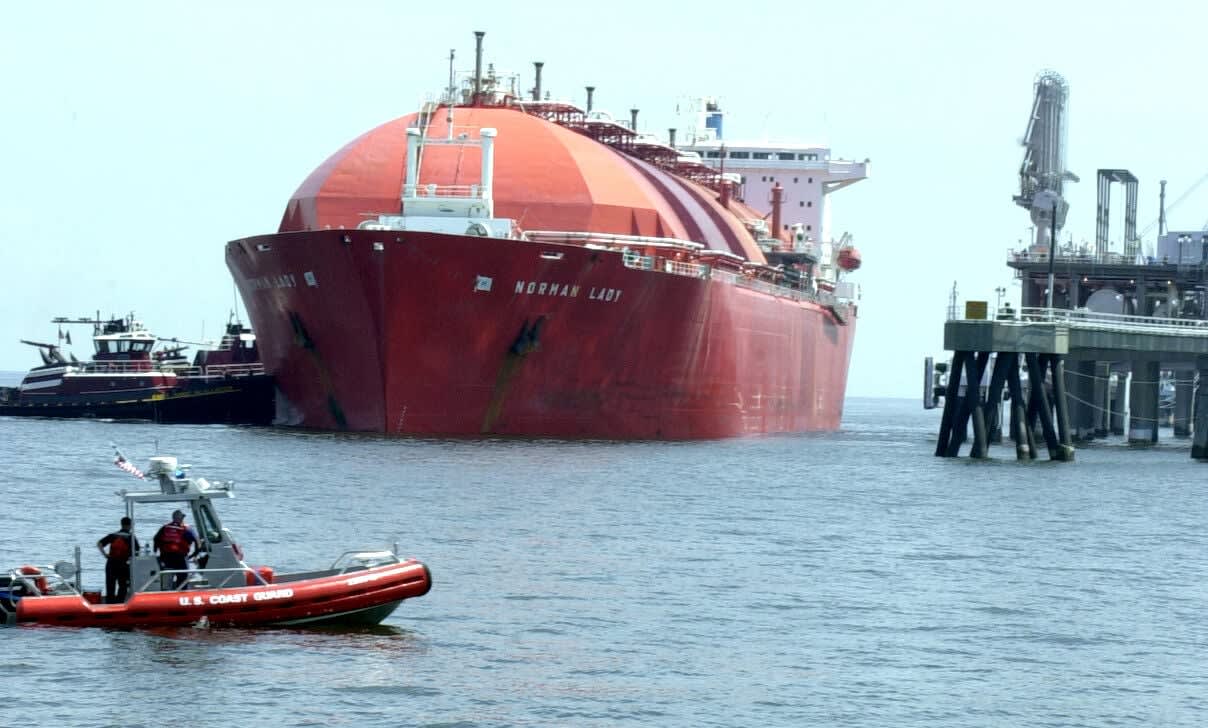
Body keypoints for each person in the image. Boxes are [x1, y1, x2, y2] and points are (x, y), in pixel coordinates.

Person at [97, 517, 139, 603]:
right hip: (123, 564)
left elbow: (99, 543)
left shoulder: (113, 535)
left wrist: (105, 554)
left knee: (110, 586)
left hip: (111, 563)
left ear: (121, 524)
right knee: (123, 585)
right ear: (130, 525)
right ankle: (120, 603)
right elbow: (137, 550)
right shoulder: (131, 537)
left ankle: (109, 604)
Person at [153, 509, 199, 589]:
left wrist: (157, 553)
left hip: (166, 558)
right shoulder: (187, 529)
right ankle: (181, 595)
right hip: (181, 559)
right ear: (181, 518)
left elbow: (155, 539)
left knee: (166, 582)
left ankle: (166, 595)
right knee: (182, 581)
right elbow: (198, 543)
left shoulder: (165, 527)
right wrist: (194, 555)